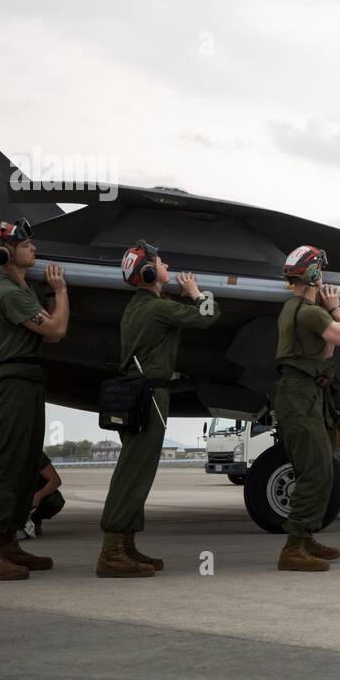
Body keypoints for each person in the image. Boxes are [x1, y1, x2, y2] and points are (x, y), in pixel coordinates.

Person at [97, 241, 219, 577]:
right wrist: (196, 292)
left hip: (137, 395)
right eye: (161, 262)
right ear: (149, 272)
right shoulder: (155, 308)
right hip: (149, 396)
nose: (167, 265)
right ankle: (112, 551)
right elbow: (208, 318)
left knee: (136, 469)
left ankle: (125, 545)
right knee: (135, 473)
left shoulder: (142, 306)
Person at [0, 218, 69, 580]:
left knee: (25, 465)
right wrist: (60, 291)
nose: (34, 248)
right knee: (4, 464)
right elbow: (56, 330)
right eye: (25, 244)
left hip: (26, 381)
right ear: (4, 252)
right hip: (10, 383)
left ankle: (7, 542)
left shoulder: (22, 290)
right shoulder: (8, 293)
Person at [273, 245, 340, 572]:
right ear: (312, 274)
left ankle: (306, 536)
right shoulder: (310, 313)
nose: (323, 276)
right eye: (320, 270)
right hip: (300, 397)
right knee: (315, 470)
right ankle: (293, 547)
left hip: (304, 395)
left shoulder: (294, 308)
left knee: (321, 467)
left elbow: (325, 354)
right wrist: (337, 309)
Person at [19, 453, 64, 539]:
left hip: (33, 494)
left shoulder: (34, 454)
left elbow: (56, 480)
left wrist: (38, 496)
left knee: (55, 500)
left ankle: (35, 518)